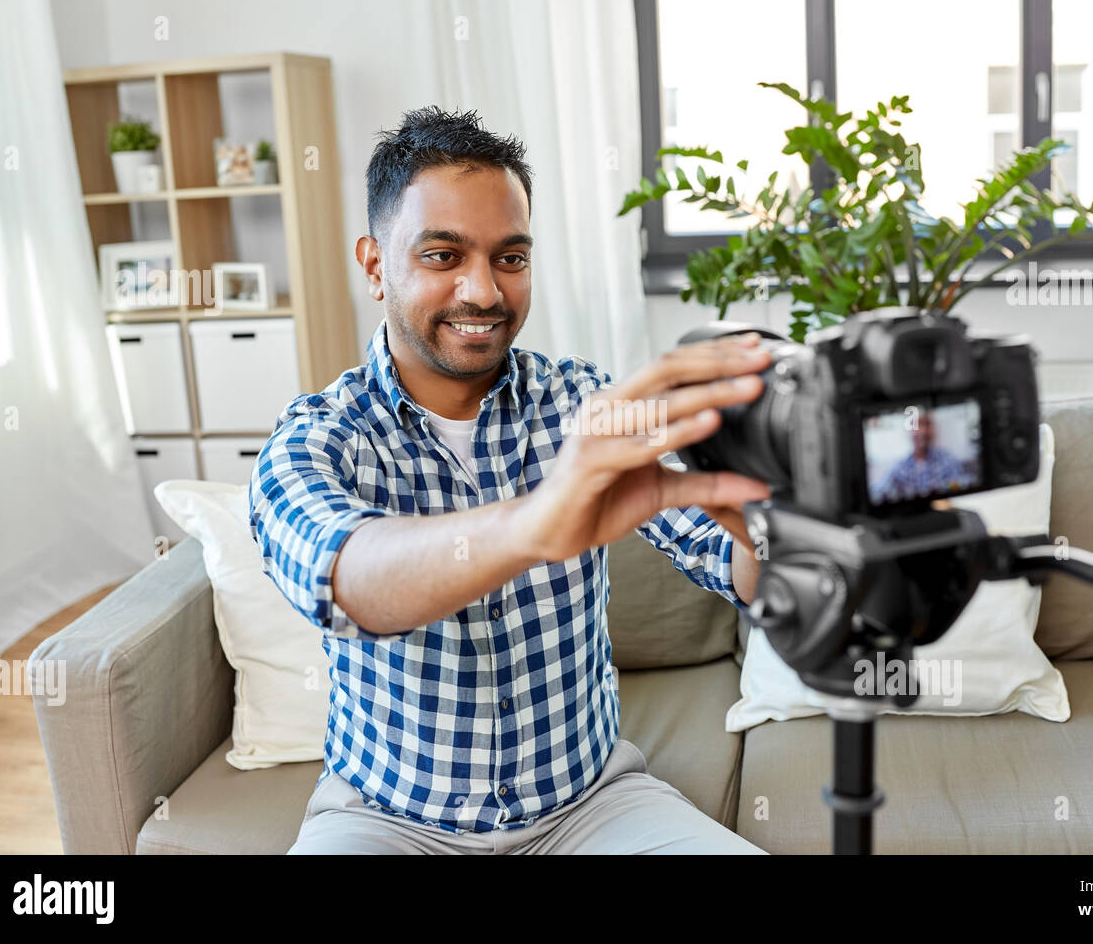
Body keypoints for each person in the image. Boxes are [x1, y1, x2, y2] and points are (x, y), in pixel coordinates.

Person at [249, 106, 770, 854]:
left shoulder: (581, 403)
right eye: (442, 256)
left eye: (510, 258)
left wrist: (774, 512)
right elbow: (347, 580)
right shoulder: (317, 436)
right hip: (384, 821)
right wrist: (537, 522)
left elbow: (742, 572)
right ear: (374, 265)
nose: (484, 293)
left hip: (592, 806)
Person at [874, 410, 973, 502]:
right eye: (916, 425)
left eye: (927, 424)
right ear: (909, 431)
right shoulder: (900, 467)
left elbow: (962, 484)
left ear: (933, 429)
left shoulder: (947, 459)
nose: (922, 431)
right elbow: (878, 491)